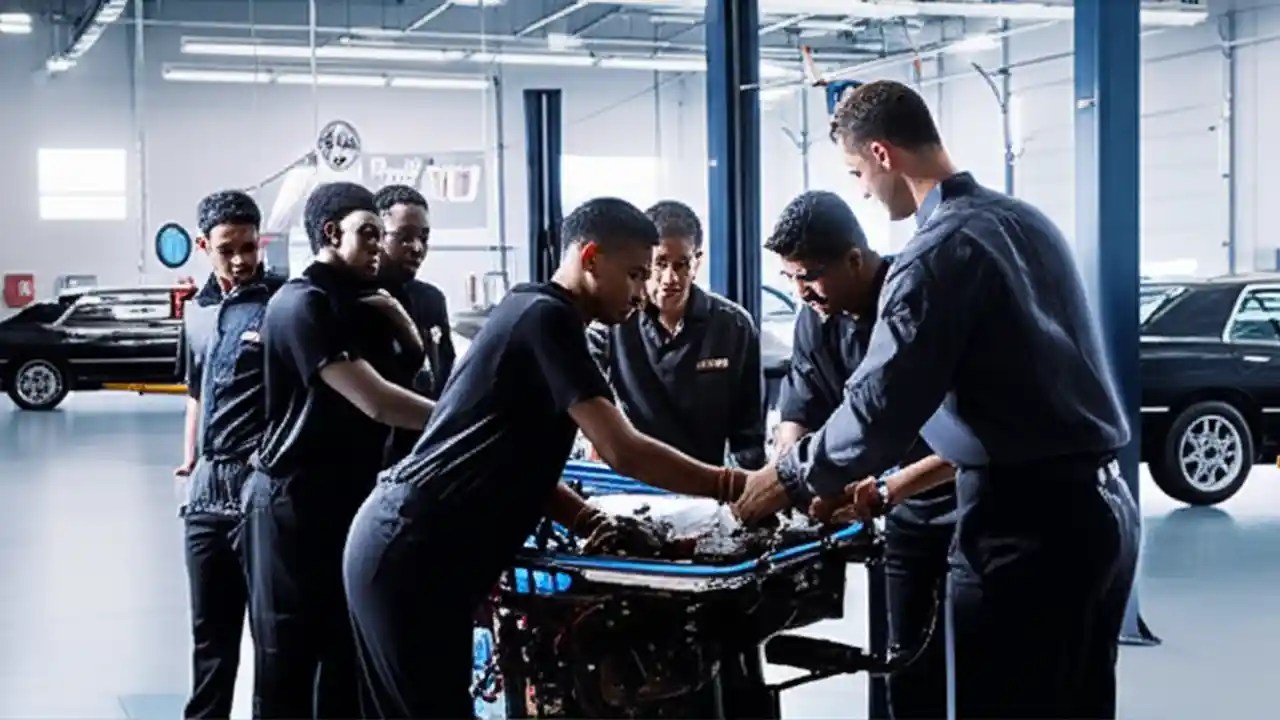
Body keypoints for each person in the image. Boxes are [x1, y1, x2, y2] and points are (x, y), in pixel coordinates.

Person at [733, 79, 1140, 719]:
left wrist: (784, 477)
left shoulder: (936, 253)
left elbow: (876, 415)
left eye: (857, 172)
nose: (862, 190)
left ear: (882, 154)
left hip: (1022, 528)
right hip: (1102, 512)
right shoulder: (1022, 221)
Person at [343, 197, 749, 719]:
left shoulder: (531, 310)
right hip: (410, 549)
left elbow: (514, 461)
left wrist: (586, 517)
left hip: (407, 544)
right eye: (633, 274)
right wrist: (735, 486)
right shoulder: (547, 318)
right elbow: (619, 447)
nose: (641, 292)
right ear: (591, 257)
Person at [241, 182, 436, 719]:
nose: (381, 246)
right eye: (369, 234)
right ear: (331, 234)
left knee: (344, 655)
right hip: (291, 505)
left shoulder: (363, 305)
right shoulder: (301, 303)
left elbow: (408, 377)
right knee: (287, 664)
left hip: (347, 501)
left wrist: (404, 328)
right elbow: (374, 400)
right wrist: (459, 423)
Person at [766, 189, 956, 720]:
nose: (803, 291)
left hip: (971, 502)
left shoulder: (916, 300)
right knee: (904, 661)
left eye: (810, 275)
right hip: (898, 514)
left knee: (985, 665)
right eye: (792, 279)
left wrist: (882, 486)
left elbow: (973, 434)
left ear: (854, 258)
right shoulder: (816, 317)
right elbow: (799, 408)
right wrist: (788, 472)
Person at [174, 190, 285, 719]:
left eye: (249, 246)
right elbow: (196, 393)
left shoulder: (282, 304)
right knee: (209, 636)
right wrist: (188, 462)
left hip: (258, 489)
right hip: (204, 495)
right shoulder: (195, 314)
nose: (241, 260)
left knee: (270, 635)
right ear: (203, 246)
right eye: (227, 249)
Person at [587, 200, 766, 469]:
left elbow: (749, 438)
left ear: (697, 263)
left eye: (681, 264)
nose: (670, 278)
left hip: (708, 484)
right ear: (644, 260)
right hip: (634, 482)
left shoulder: (735, 326)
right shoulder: (612, 321)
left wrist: (735, 489)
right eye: (660, 263)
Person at [371, 184, 456, 464]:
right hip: (370, 456)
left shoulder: (431, 300)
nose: (417, 248)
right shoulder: (360, 302)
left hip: (422, 451)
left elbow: (443, 379)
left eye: (424, 237)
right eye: (404, 237)